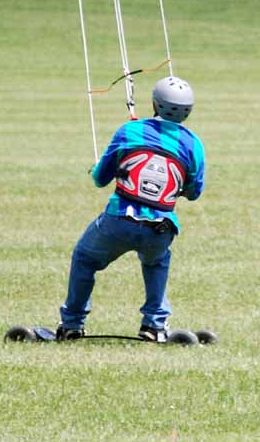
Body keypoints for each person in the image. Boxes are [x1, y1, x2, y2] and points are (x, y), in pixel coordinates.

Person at [57, 76, 205, 343]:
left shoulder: (128, 131)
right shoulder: (193, 144)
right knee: (156, 262)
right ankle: (154, 325)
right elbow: (194, 193)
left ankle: (71, 324)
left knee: (85, 258)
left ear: (155, 103)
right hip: (161, 227)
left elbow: (100, 178)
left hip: (118, 220)